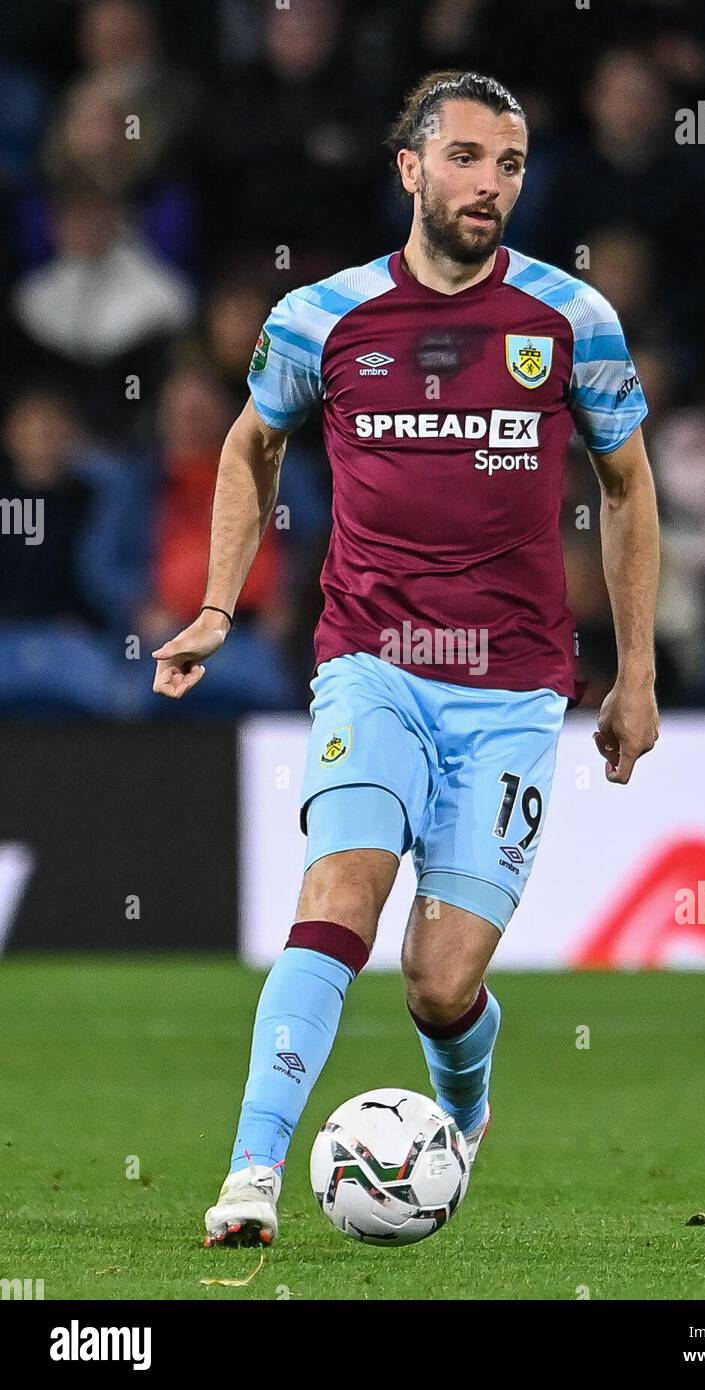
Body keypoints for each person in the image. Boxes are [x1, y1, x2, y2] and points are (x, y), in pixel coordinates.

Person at [151, 70, 660, 1247]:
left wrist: (633, 674)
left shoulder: (569, 320)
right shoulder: (320, 318)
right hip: (370, 664)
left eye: (513, 165)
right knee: (339, 894)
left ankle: (463, 1109)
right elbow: (249, 445)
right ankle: (249, 1176)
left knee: (439, 981)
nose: (492, 185)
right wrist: (219, 604)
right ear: (411, 169)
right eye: (471, 158)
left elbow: (628, 487)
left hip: (514, 688)